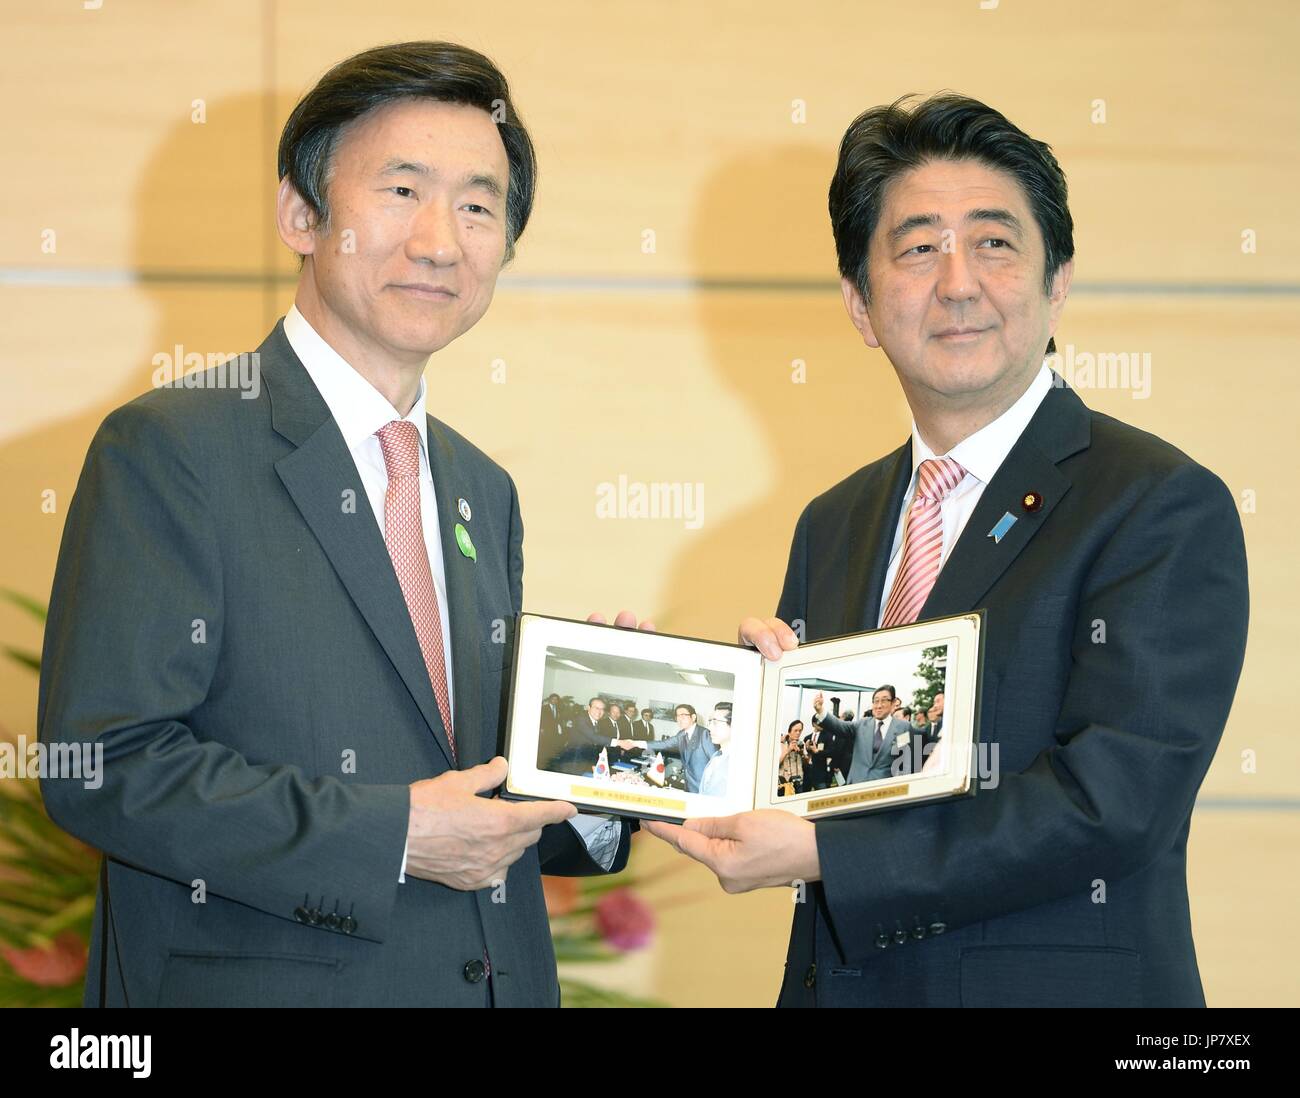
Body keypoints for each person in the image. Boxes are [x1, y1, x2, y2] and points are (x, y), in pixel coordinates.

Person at [36, 41, 635, 1009]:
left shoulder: (483, 487)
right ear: (300, 214)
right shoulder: (171, 447)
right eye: (402, 190)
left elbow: (467, 786)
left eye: (479, 206)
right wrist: (391, 834)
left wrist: (606, 757)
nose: (440, 239)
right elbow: (102, 765)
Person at [645, 92, 1248, 1008]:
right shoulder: (835, 520)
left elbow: (1115, 801)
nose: (958, 281)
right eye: (919, 246)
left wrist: (826, 855)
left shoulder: (1156, 503)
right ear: (860, 304)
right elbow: (837, 778)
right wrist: (737, 714)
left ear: (1059, 282)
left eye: (995, 242)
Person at [810, 686, 916, 784]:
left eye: (884, 700)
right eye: (876, 701)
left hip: (886, 788)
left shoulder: (903, 728)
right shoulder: (861, 725)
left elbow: (906, 761)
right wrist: (821, 710)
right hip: (857, 785)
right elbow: (839, 726)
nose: (879, 705)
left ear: (893, 703)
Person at [617, 703, 717, 793]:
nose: (679, 719)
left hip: (703, 788)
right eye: (677, 716)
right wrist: (634, 743)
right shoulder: (681, 734)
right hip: (689, 786)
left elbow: (715, 763)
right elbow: (663, 744)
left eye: (683, 715)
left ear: (693, 717)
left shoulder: (705, 734)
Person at [697, 703, 734, 798]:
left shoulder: (738, 762)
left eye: (715, 723)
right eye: (710, 722)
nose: (709, 728)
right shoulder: (716, 756)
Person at [777, 721, 808, 797]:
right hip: (784, 783)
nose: (798, 733)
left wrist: (802, 754)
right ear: (789, 732)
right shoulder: (781, 744)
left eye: (800, 731)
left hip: (798, 782)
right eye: (795, 730)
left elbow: (806, 764)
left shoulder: (801, 744)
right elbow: (775, 764)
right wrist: (788, 750)